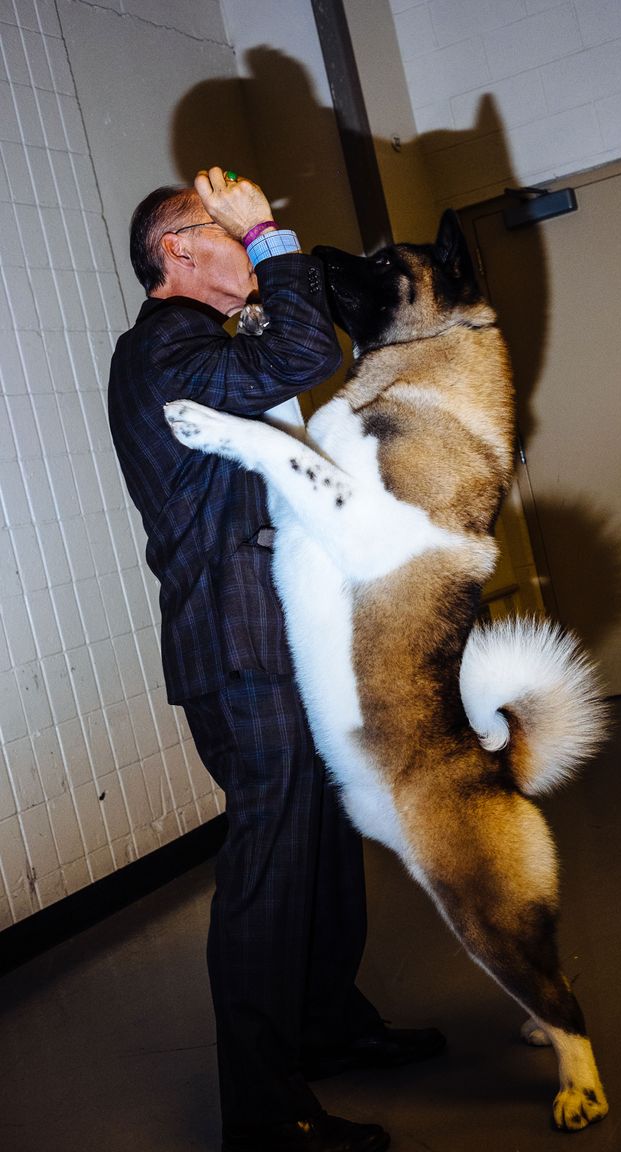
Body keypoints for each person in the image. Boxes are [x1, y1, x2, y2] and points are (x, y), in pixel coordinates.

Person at [107, 168, 445, 1152]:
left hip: (279, 635)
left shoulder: (205, 346)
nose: (249, 245)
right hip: (241, 644)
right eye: (224, 232)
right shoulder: (164, 344)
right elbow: (303, 343)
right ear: (177, 252)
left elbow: (292, 359)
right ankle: (262, 1116)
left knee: (323, 842)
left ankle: (327, 1027)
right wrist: (272, 240)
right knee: (271, 864)